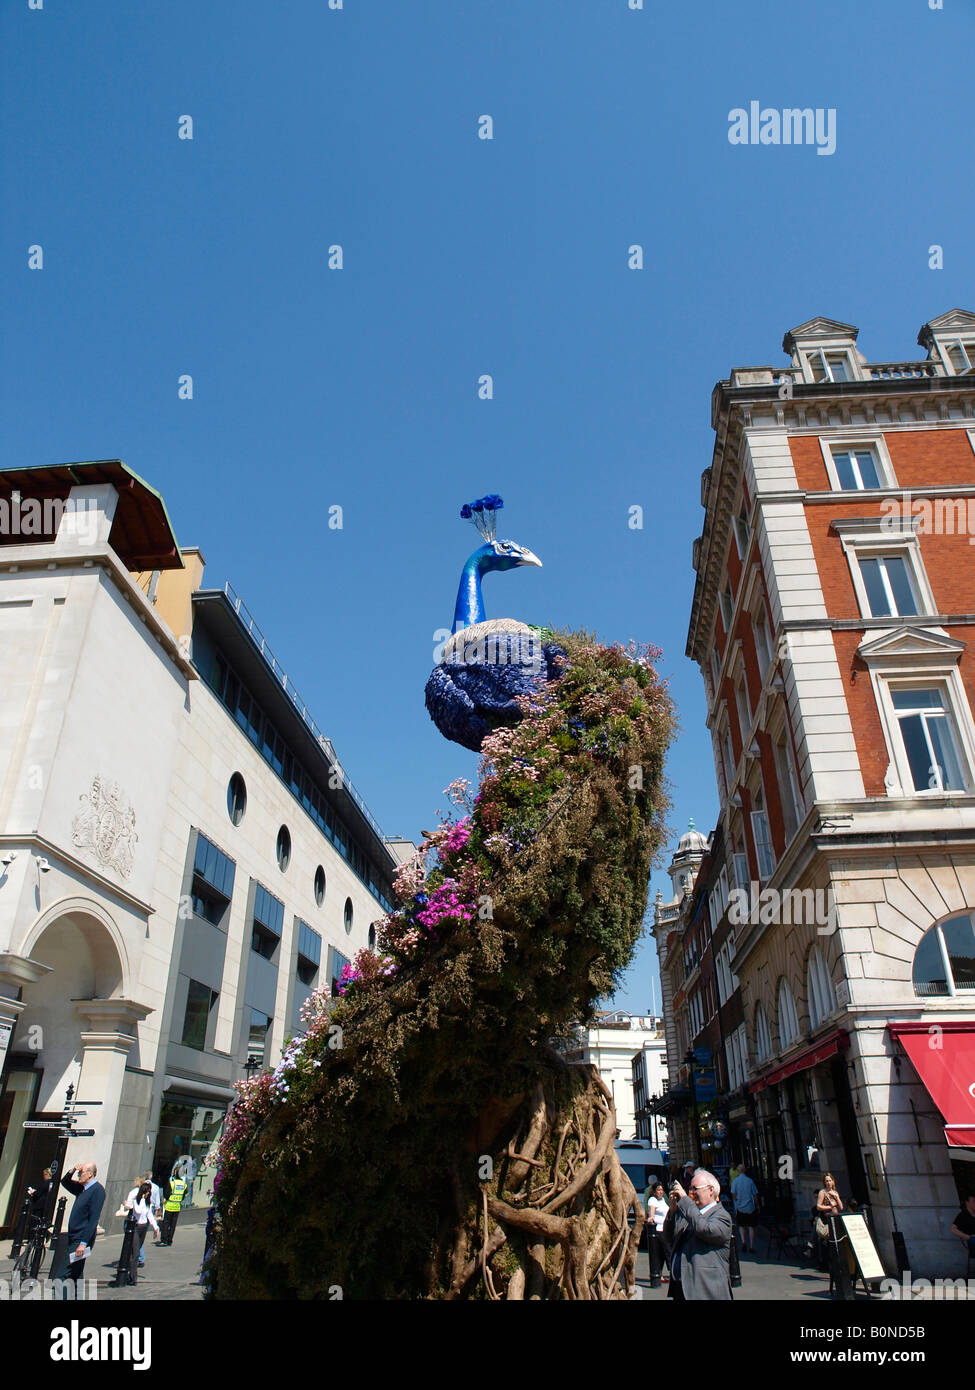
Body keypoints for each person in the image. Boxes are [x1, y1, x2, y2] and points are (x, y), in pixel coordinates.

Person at [667, 1169, 733, 1301]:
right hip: (683, 1289)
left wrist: (685, 1201)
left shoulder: (722, 1216)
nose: (691, 1193)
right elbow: (669, 1237)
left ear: (710, 1190)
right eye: (690, 1188)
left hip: (706, 1291)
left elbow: (704, 1229)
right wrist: (673, 1211)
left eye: (695, 1188)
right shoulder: (690, 1212)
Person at [54, 1160, 106, 1290]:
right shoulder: (82, 1189)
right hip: (74, 1237)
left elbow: (93, 1219)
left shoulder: (97, 1191)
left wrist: (83, 1243)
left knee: (62, 1276)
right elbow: (65, 1182)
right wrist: (72, 1170)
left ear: (90, 1174)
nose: (78, 1175)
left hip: (81, 1239)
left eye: (81, 1173)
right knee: (75, 1275)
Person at [123, 1181, 160, 1283]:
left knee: (136, 1250)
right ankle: (133, 1277)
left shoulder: (148, 1203)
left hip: (143, 1228)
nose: (148, 1194)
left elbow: (150, 1216)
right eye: (147, 1192)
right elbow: (138, 1211)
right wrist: (142, 1199)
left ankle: (130, 1271)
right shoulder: (137, 1201)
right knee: (136, 1252)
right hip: (136, 1226)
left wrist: (155, 1227)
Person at [810, 1172, 844, 1268]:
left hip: (835, 1219)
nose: (828, 1183)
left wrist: (836, 1197)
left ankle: (837, 1263)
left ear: (833, 1181)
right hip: (826, 1219)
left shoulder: (835, 1192)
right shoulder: (822, 1192)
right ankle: (828, 1263)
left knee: (837, 1241)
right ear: (824, 1183)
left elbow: (841, 1207)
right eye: (826, 1181)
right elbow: (818, 1206)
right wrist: (829, 1206)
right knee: (828, 1242)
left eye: (830, 1180)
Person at [646, 1182, 672, 1286]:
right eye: (658, 1190)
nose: (660, 1192)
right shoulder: (653, 1200)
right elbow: (652, 1210)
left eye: (662, 1190)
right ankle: (672, 1273)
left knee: (661, 1254)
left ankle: (659, 1274)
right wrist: (651, 1217)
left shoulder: (663, 1200)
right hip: (658, 1229)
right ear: (654, 1191)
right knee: (668, 1251)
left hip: (665, 1229)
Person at [730, 1164, 760, 1254]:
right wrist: (757, 1205)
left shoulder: (735, 1181)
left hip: (740, 1207)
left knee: (741, 1226)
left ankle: (743, 1241)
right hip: (750, 1207)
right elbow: (755, 1195)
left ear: (738, 1171)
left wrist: (737, 1200)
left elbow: (733, 1194)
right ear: (745, 1170)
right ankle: (751, 1245)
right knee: (751, 1226)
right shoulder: (750, 1181)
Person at [158, 1170, 188, 1245]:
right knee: (173, 1224)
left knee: (166, 1223)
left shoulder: (172, 1183)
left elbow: (166, 1194)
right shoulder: (184, 1184)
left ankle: (164, 1240)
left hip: (169, 1206)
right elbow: (184, 1194)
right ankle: (169, 1240)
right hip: (177, 1206)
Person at [949, 1193, 975, 1258]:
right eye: (973, 1201)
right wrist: (969, 1237)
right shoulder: (963, 1215)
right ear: (967, 1203)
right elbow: (953, 1229)